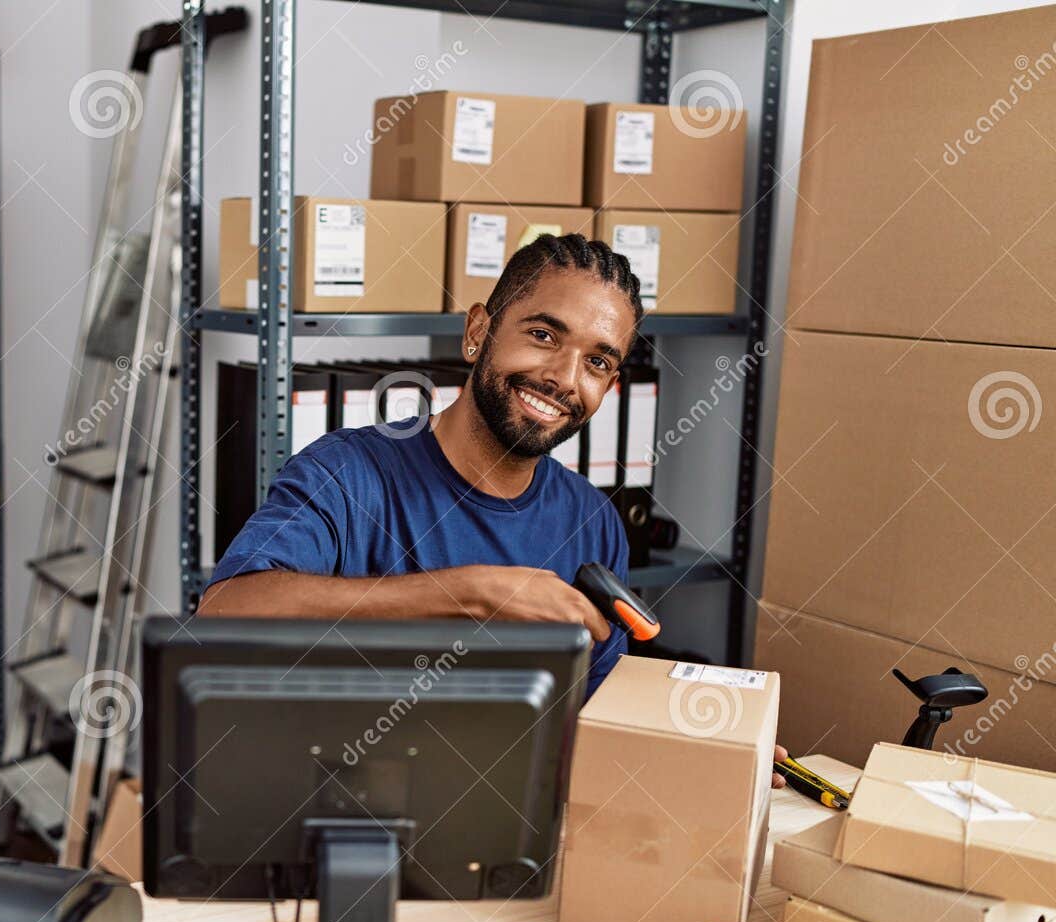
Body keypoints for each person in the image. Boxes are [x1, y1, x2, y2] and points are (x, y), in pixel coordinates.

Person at [200, 232, 791, 779]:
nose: (563, 377)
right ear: (478, 331)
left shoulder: (592, 522)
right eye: (543, 335)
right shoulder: (349, 474)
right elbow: (225, 614)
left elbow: (594, 713)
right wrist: (474, 594)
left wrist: (713, 740)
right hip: (346, 817)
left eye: (598, 362)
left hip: (509, 834)